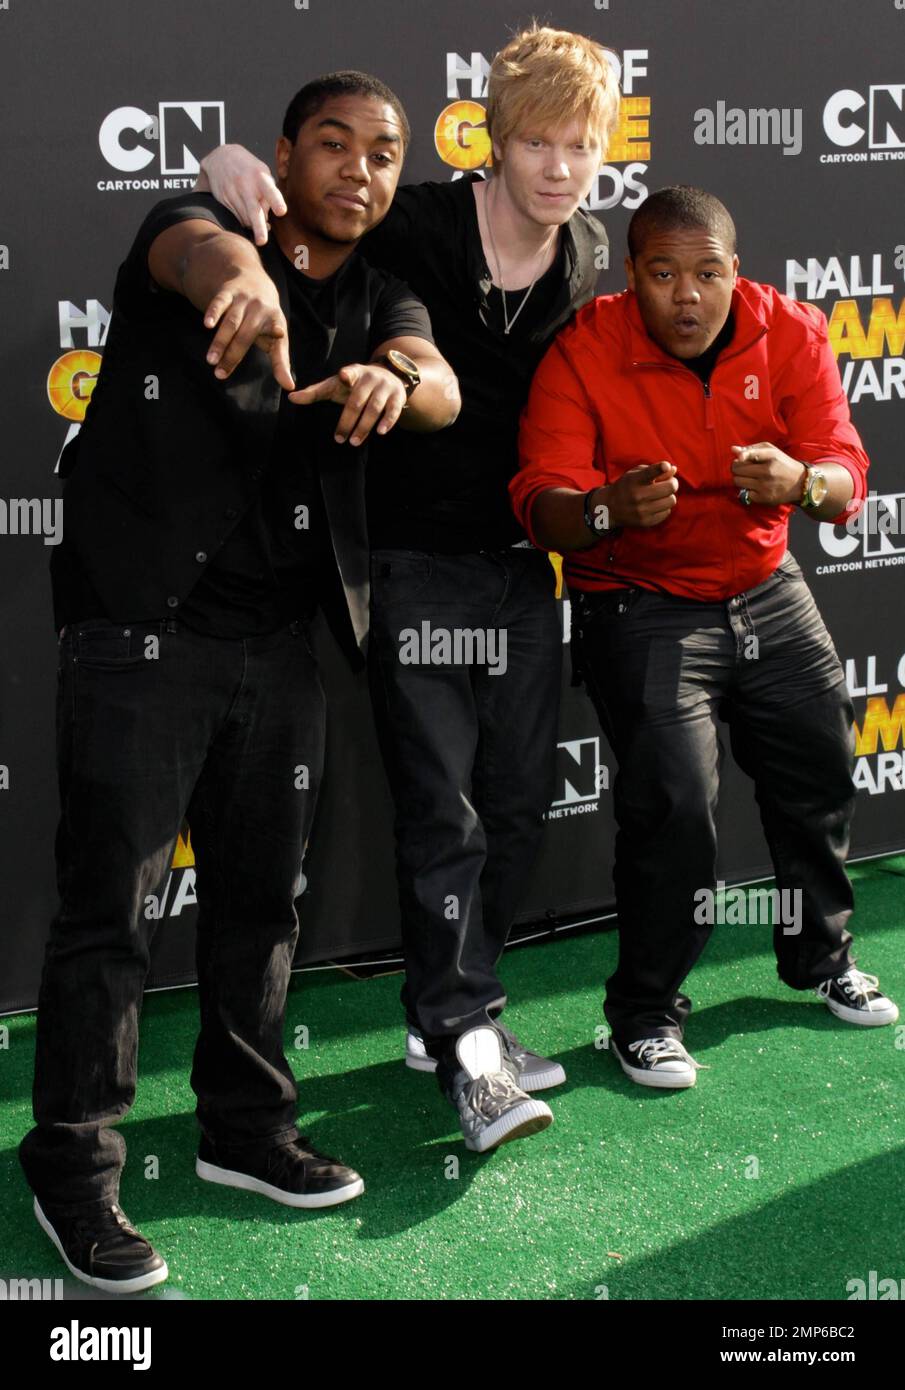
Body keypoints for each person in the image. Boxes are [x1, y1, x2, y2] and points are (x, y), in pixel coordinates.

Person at [19, 71, 458, 1293]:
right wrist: (237, 275)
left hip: (280, 649)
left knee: (263, 906)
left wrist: (397, 379)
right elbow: (189, 251)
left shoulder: (380, 293)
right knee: (110, 915)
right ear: (280, 156)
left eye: (382, 153)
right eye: (333, 145)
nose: (360, 171)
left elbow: (437, 377)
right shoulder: (192, 224)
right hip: (140, 637)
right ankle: (72, 1165)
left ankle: (244, 1129)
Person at [197, 23, 621, 1152]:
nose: (556, 168)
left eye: (579, 145)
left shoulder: (585, 252)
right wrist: (222, 169)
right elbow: (284, 203)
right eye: (536, 142)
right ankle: (468, 1045)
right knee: (446, 805)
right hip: (408, 562)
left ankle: (444, 1020)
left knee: (519, 800)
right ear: (492, 138)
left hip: (521, 567)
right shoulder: (421, 221)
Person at [511, 185, 898, 1090]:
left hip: (765, 587)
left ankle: (818, 958)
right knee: (676, 805)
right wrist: (605, 509)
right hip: (638, 602)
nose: (686, 296)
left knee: (818, 773)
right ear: (632, 278)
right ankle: (643, 1015)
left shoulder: (790, 330)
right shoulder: (584, 347)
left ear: (736, 271)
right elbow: (540, 503)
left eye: (707, 274)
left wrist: (802, 481)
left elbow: (846, 478)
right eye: (662, 275)